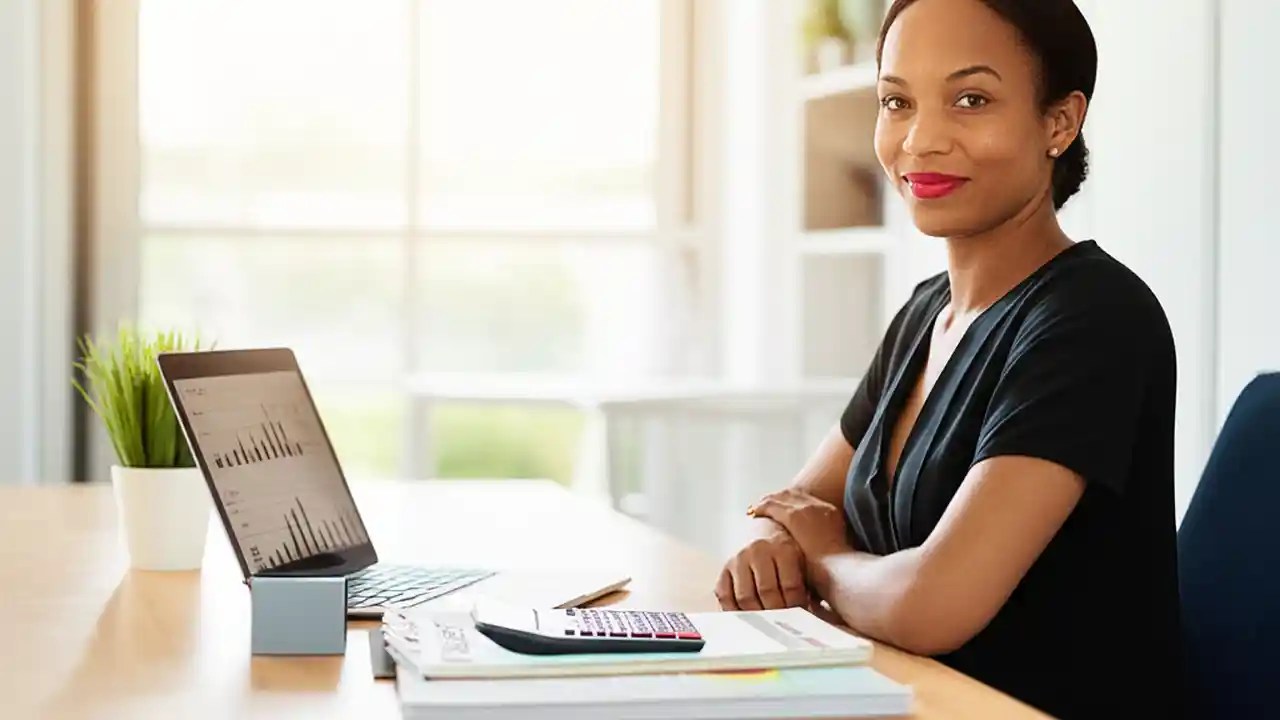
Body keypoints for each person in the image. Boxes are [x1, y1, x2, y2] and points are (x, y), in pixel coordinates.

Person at [714, 1, 1183, 717]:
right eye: (896, 102)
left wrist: (825, 558)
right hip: (905, 697)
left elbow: (933, 608)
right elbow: (793, 506)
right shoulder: (926, 312)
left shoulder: (1093, 318)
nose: (921, 139)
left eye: (971, 100)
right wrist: (771, 539)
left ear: (1059, 122)